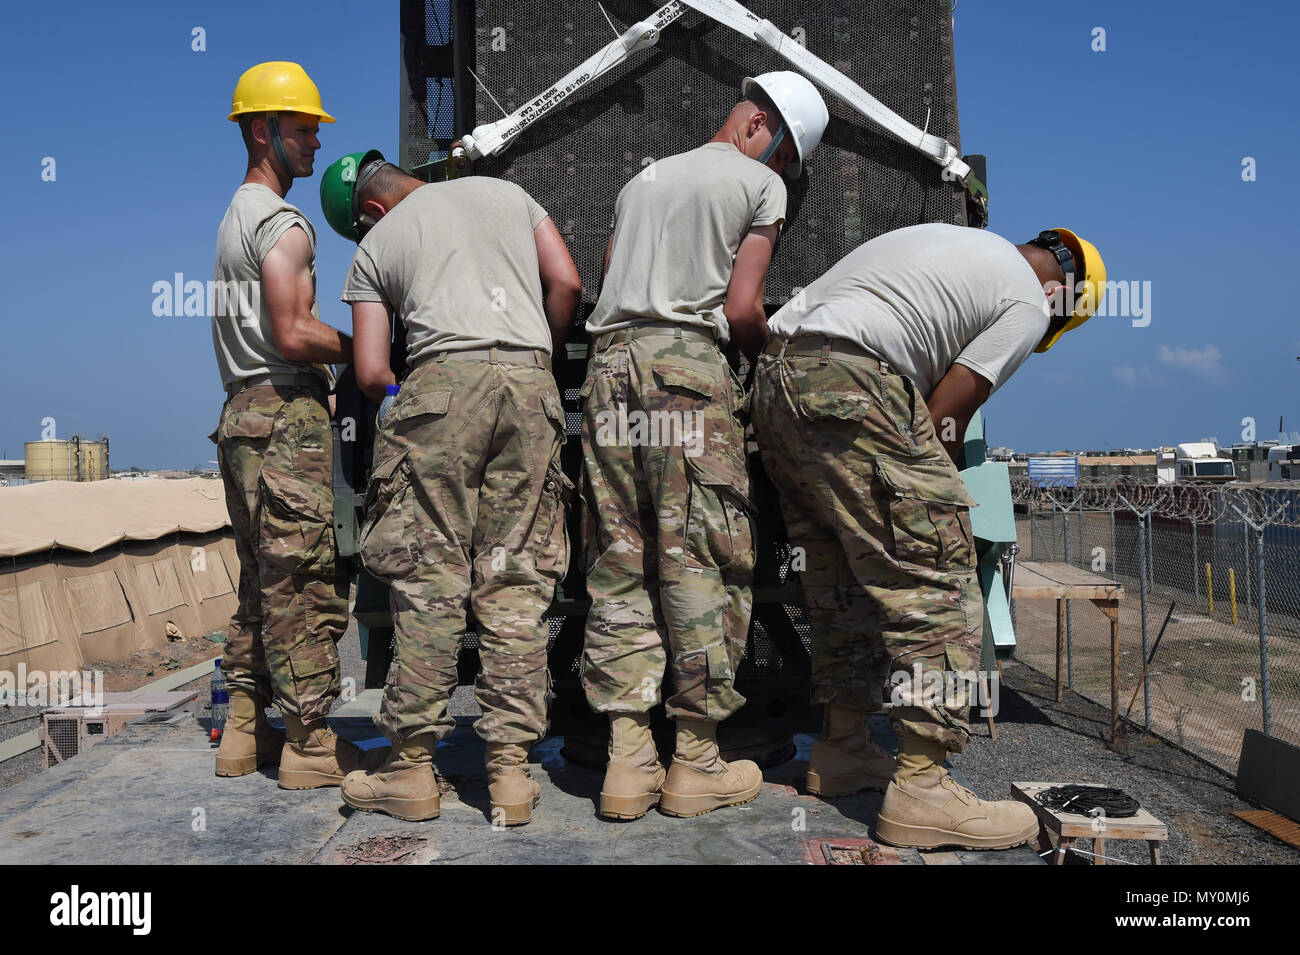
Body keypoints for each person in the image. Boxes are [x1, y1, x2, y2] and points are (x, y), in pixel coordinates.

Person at [750, 222, 1105, 848]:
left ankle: (843, 749)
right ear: (1062, 297)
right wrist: (934, 505)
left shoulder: (947, 241)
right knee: (938, 577)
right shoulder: (1027, 300)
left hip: (778, 384)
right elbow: (946, 415)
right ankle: (923, 789)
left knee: (842, 581)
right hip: (855, 382)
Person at [579, 72, 829, 820]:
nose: (780, 175)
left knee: (618, 561)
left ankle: (626, 762)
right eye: (783, 158)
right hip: (686, 372)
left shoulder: (642, 180)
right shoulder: (759, 185)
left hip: (608, 370)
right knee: (700, 557)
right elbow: (742, 305)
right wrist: (768, 357)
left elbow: (607, 280)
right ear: (763, 127)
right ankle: (694, 761)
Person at [320, 152, 581, 824]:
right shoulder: (505, 193)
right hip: (530, 385)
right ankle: (512, 776)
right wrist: (532, 362)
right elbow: (568, 282)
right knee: (516, 580)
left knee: (431, 583)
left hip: (438, 390)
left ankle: (410, 770)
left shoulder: (379, 242)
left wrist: (423, 395)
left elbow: (374, 369)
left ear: (371, 212)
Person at [211, 62, 381, 788]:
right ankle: (311, 743)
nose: (315, 142)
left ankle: (244, 733)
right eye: (304, 128)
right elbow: (291, 330)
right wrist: (365, 351)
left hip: (241, 415)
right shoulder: (283, 225)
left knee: (259, 580)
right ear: (262, 130)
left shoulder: (233, 217)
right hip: (286, 416)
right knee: (306, 579)